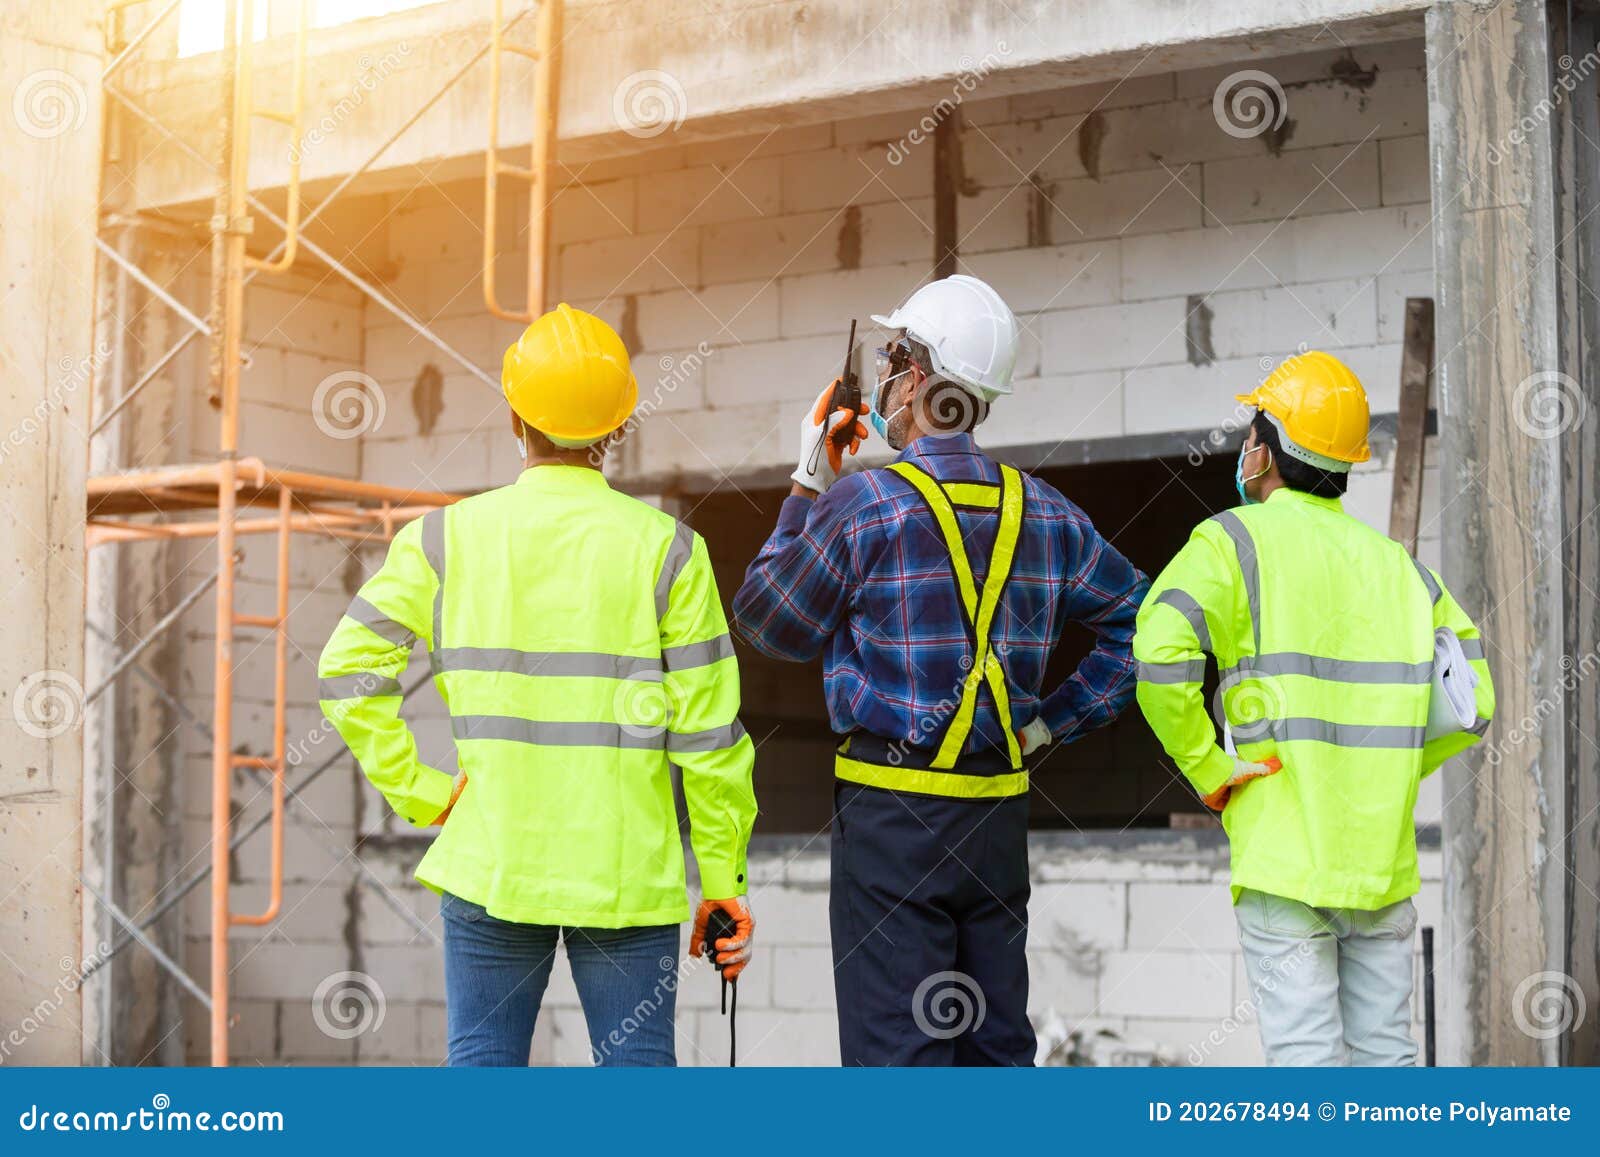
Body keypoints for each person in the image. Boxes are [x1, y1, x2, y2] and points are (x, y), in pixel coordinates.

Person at [318, 304, 758, 1066]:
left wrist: (420, 789)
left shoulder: (440, 539)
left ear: (515, 415)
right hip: (625, 875)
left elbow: (347, 673)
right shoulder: (671, 553)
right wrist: (722, 877)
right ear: (616, 429)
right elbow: (711, 741)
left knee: (484, 1068)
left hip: (492, 859)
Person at [731, 274, 1148, 1066]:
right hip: (996, 822)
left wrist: (809, 473)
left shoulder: (866, 504)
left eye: (892, 357)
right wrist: (1051, 719)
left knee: (901, 1061)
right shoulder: (1047, 512)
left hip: (892, 821)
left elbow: (769, 619)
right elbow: (1151, 632)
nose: (883, 375)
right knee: (992, 1056)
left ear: (917, 379)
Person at [1133, 350, 1495, 1066]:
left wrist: (1208, 765)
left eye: (1249, 433)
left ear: (1264, 451)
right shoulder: (1401, 568)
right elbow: (1474, 698)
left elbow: (1158, 657)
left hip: (1284, 860)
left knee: (1307, 1068)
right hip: (1379, 862)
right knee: (1387, 1062)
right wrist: (1391, 769)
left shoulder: (1231, 540)